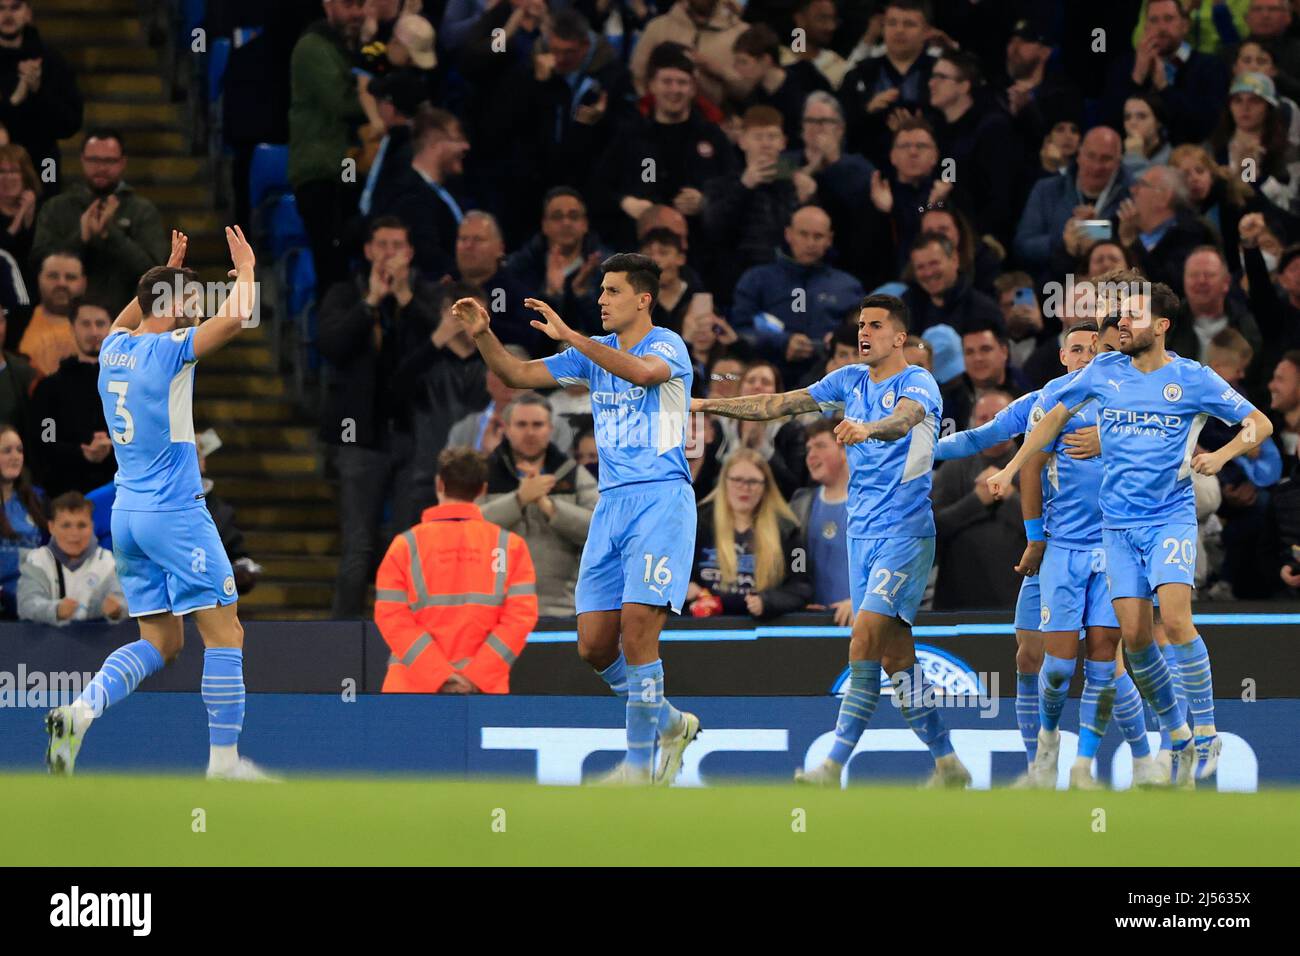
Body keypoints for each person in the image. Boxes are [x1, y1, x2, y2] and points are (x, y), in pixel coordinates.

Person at [987, 278, 1275, 786]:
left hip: (1169, 517)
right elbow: (1051, 420)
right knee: (1137, 645)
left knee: (1178, 619)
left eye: (1134, 315)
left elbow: (1259, 424)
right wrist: (1011, 471)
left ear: (1161, 326)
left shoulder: (1193, 377)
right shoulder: (1104, 372)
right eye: (1121, 316)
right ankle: (1180, 737)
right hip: (1116, 528)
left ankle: (1207, 731)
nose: (1123, 323)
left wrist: (1222, 454)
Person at [693, 293, 971, 789]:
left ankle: (831, 764)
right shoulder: (849, 380)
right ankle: (948, 763)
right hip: (860, 536)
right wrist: (705, 402)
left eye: (876, 325)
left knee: (863, 639)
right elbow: (777, 404)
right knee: (895, 658)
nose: (864, 333)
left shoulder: (918, 382)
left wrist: (868, 428)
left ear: (899, 336)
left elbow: (902, 421)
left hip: (905, 533)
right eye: (861, 324)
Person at [453, 253, 702, 785]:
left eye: (612, 291)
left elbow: (640, 372)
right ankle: (670, 723)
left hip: (661, 500)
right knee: (593, 645)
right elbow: (517, 374)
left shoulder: (667, 345)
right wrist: (482, 335)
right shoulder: (594, 354)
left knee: (638, 629)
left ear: (643, 299)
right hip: (611, 506)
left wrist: (571, 336)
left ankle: (637, 769)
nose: (601, 300)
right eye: (601, 292)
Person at [44, 226, 274, 781]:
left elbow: (133, 314)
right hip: (175, 513)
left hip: (127, 518)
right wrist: (244, 269)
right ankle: (223, 764)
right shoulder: (170, 353)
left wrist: (163, 271)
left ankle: (80, 710)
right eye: (190, 301)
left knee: (162, 639)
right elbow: (239, 316)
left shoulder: (114, 349)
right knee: (226, 633)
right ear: (171, 306)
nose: (197, 310)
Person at [1015, 322, 1160, 790]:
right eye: (1077, 349)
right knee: (1054, 668)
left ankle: (1083, 767)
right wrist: (1035, 537)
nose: (1087, 357)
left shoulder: (1132, 403)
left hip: (1115, 547)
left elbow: (1163, 451)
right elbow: (1029, 465)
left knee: (1104, 661)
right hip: (1061, 548)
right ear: (1064, 356)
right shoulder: (1052, 403)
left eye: (1096, 349)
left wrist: (1110, 438)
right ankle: (1046, 751)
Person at [318, 216, 442, 617]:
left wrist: (405, 298)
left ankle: (400, 634)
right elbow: (332, 345)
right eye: (382, 245)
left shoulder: (424, 295)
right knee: (359, 546)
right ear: (369, 250)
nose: (389, 254)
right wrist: (369, 302)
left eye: (398, 246)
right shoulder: (344, 293)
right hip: (360, 437)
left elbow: (444, 345)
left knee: (405, 543)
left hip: (414, 433)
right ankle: (341, 642)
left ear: (410, 253)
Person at [374, 445, 538, 694]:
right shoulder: (510, 546)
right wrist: (475, 676)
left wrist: (440, 675)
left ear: (439, 484)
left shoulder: (405, 545)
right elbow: (519, 620)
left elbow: (391, 617)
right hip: (484, 692)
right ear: (483, 490)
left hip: (411, 691)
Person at [478, 392, 599, 618]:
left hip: (563, 609)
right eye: (522, 424)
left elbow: (600, 531)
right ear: (506, 428)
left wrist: (548, 506)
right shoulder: (484, 474)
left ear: (550, 429)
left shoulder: (574, 475)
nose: (530, 432)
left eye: (538, 424)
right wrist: (519, 500)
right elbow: (468, 528)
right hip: (495, 610)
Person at [29, 130, 168, 311]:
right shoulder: (57, 208)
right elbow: (38, 264)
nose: (101, 167)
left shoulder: (142, 211)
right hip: (63, 316)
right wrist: (81, 237)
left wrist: (112, 234)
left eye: (109, 161)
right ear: (82, 159)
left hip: (126, 319)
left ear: (123, 162)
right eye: (94, 160)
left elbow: (155, 273)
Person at [730, 205, 863, 384]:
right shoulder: (757, 280)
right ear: (788, 234)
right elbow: (738, 331)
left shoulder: (848, 286)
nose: (810, 243)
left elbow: (863, 336)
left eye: (818, 236)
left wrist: (833, 343)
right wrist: (782, 342)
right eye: (803, 234)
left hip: (831, 383)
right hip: (768, 382)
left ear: (829, 239)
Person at [288, 0, 367, 292]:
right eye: (349, 4)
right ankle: (332, 333)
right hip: (321, 173)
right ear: (328, 5)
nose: (357, 13)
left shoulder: (349, 46)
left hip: (347, 170)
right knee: (332, 269)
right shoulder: (313, 47)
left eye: (362, 5)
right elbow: (342, 102)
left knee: (345, 266)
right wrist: (382, 103)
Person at [687, 447, 810, 618]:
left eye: (753, 482)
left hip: (763, 629)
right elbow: (672, 570)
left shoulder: (789, 531)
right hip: (706, 626)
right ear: (724, 482)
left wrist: (768, 601)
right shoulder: (697, 523)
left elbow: (802, 587)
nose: (744, 488)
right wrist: (684, 586)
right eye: (737, 479)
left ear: (765, 486)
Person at [27, 297, 115, 497]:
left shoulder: (130, 384)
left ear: (111, 327)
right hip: (67, 497)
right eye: (85, 324)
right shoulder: (49, 388)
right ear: (72, 328)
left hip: (122, 494)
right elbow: (44, 440)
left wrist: (113, 447)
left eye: (100, 324)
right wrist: (81, 452)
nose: (93, 332)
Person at [0, 0, 83, 192]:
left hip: (45, 161)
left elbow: (70, 123)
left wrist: (39, 90)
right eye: (1, 8)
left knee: (49, 207)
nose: (7, 15)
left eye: (15, 7)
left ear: (28, 12)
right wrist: (17, 96)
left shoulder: (52, 61)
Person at [17, 491, 125, 625]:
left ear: (91, 527)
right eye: (66, 525)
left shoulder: (107, 561)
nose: (74, 533)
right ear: (51, 527)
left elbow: (124, 602)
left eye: (81, 525)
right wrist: (56, 610)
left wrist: (117, 609)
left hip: (96, 642)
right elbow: (26, 605)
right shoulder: (37, 560)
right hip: (45, 642)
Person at [790, 416, 852, 626]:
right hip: (815, 623)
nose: (811, 456)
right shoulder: (800, 505)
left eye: (820, 446)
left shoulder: (872, 502)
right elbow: (792, 564)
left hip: (861, 621)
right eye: (808, 449)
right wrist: (798, 601)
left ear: (845, 449)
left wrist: (865, 602)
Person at [0, 420, 43, 617]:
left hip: (35, 598)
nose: (16, 457)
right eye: (6, 451)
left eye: (19, 450)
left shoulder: (36, 499)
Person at [16, 249, 80, 376]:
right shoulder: (15, 322)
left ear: (83, 282)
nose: (61, 283)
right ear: (39, 279)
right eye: (53, 276)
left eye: (70, 277)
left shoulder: (101, 324)